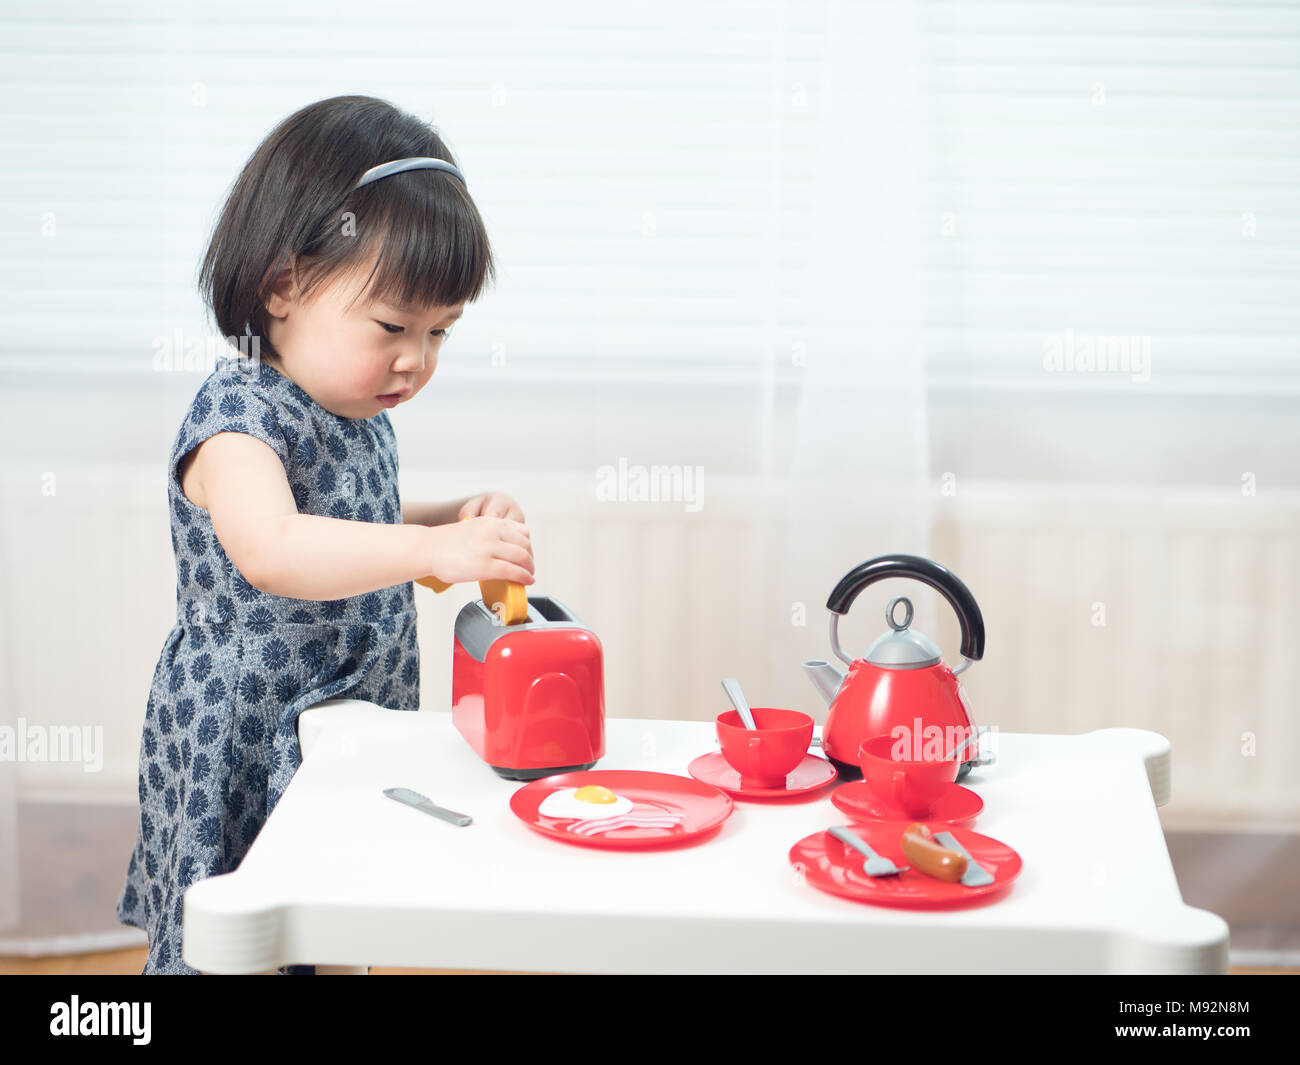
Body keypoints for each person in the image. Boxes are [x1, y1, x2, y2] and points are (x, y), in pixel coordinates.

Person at [114, 95, 534, 974]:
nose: (415, 359)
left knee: (338, 914)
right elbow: (273, 547)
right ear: (282, 285)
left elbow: (358, 526)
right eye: (391, 326)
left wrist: (446, 520)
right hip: (249, 728)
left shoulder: (359, 410)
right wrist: (427, 554)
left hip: (347, 717)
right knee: (242, 935)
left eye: (439, 333)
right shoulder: (235, 418)